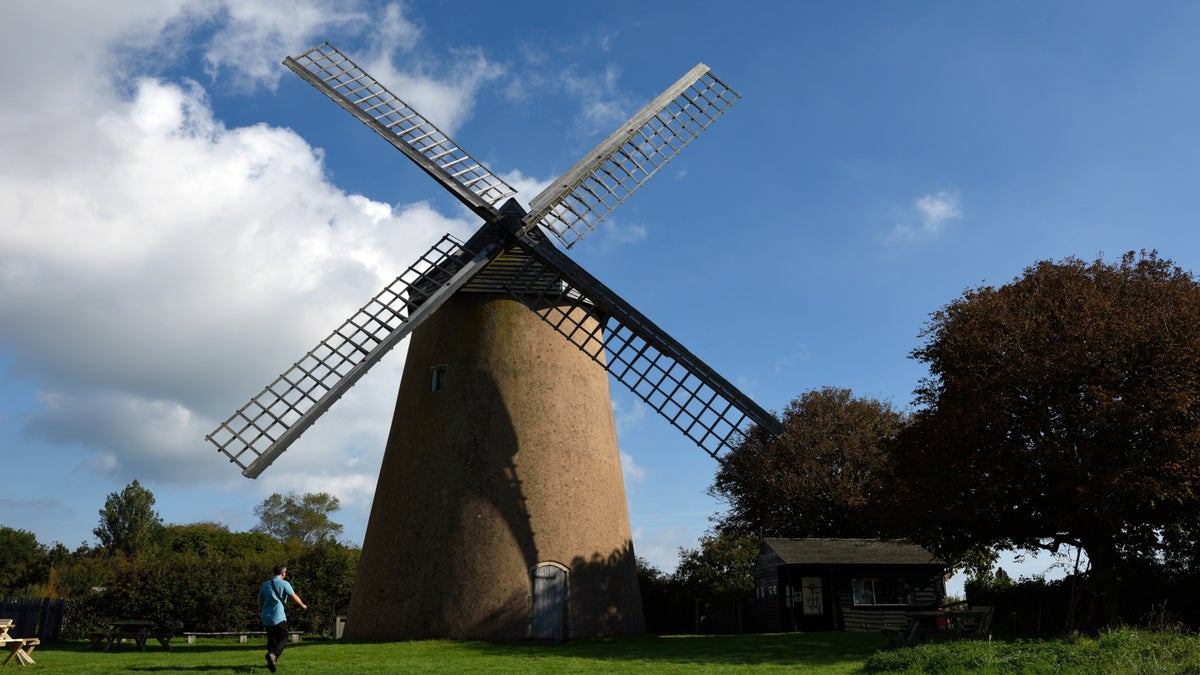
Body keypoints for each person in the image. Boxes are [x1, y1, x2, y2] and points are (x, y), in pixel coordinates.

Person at [257, 564, 306, 672]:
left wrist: (260, 610)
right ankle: (274, 655)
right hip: (278, 616)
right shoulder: (284, 584)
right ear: (283, 573)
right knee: (284, 636)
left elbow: (259, 598)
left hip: (266, 616)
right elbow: (294, 596)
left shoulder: (266, 584)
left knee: (272, 638)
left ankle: (271, 659)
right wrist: (302, 605)